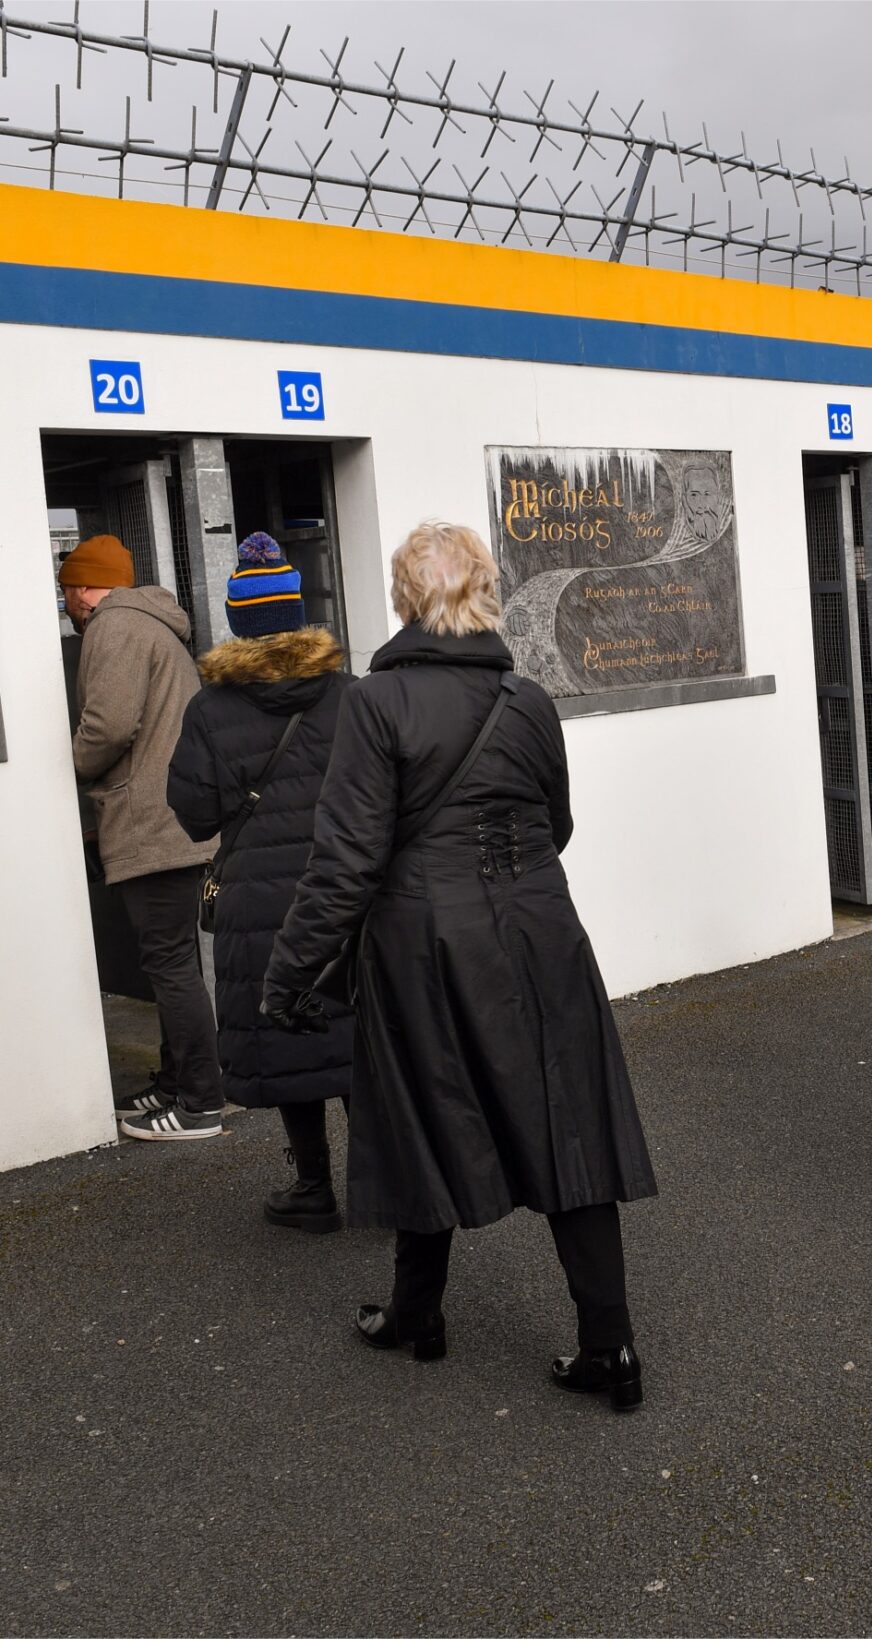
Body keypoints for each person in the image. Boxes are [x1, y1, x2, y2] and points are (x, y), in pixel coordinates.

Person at [263, 521, 657, 1411]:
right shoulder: (527, 697)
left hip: (424, 938)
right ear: (482, 590)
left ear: (406, 598)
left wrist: (288, 975)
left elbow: (345, 860)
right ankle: (612, 1347)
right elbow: (555, 824)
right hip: (540, 928)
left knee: (419, 1116)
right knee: (569, 1125)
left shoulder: (376, 701)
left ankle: (417, 1315)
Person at [167, 535, 357, 1225]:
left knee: (289, 1036)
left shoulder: (210, 709)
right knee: (358, 1033)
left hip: (259, 897)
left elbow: (191, 813)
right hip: (347, 888)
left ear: (237, 621)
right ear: (300, 612)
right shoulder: (347, 693)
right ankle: (381, 1183)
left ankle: (313, 1188)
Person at [62, 534, 225, 1142]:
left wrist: (64, 771)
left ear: (82, 588)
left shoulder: (114, 626)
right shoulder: (153, 625)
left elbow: (107, 727)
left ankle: (201, 1103)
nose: (70, 608)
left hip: (150, 825)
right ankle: (175, 1082)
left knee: (171, 965)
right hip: (175, 821)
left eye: (68, 592)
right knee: (173, 962)